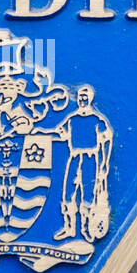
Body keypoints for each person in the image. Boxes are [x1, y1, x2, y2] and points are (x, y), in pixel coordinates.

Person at [52, 85, 112, 242]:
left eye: (85, 97)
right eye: (80, 97)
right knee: (68, 192)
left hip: (90, 159)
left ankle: (85, 229)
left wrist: (105, 163)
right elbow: (60, 133)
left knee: (87, 193)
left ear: (91, 99)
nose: (82, 100)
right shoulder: (72, 119)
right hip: (74, 157)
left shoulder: (97, 120)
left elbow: (106, 141)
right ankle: (69, 228)